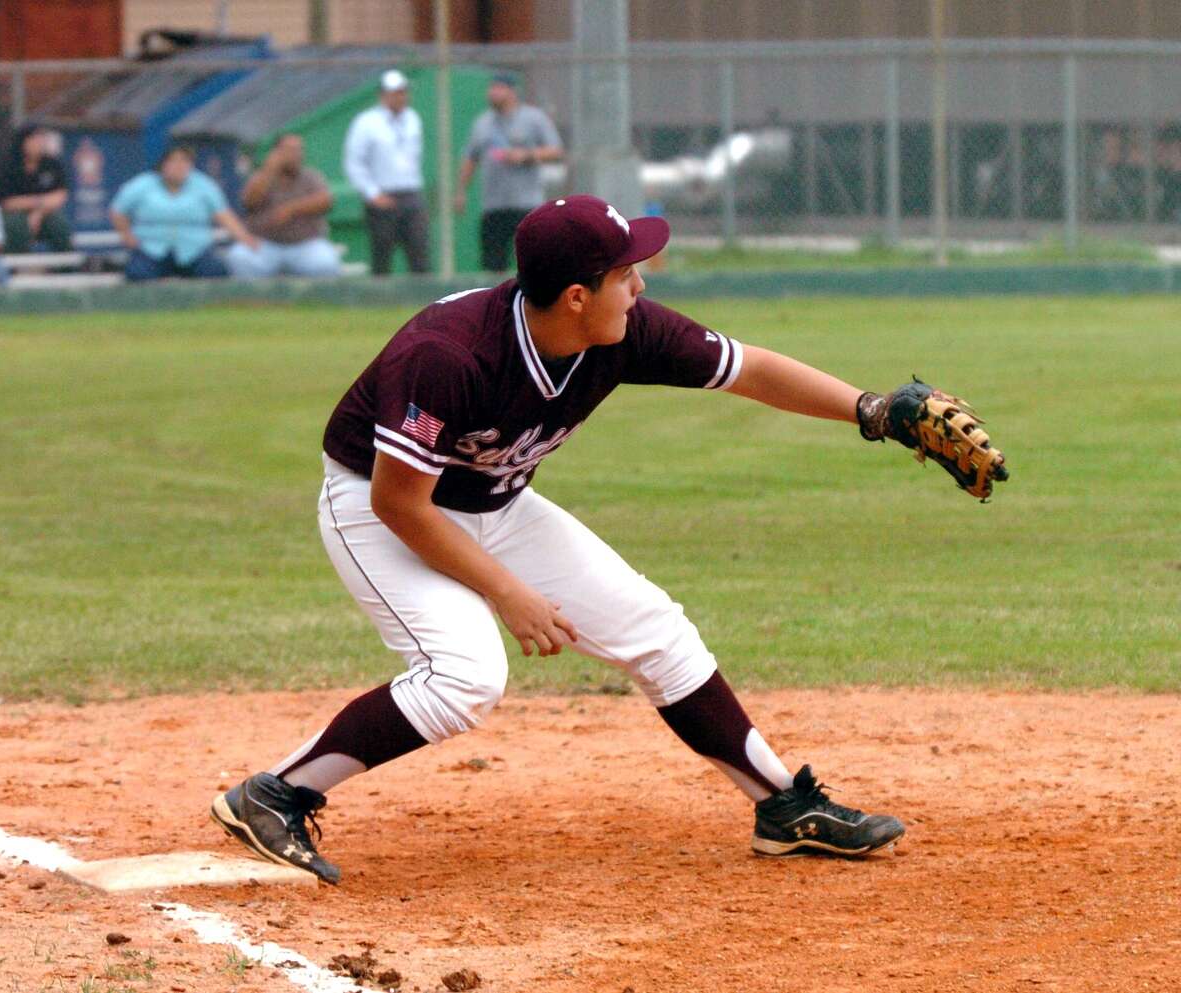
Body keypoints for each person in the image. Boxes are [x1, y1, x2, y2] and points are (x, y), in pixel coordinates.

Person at [210, 194, 911, 886]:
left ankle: (783, 807)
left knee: (655, 630)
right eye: (625, 273)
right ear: (577, 295)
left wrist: (872, 411)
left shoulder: (625, 329)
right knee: (466, 676)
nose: (640, 285)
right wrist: (507, 592)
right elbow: (399, 502)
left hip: (498, 504)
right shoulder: (447, 355)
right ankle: (274, 794)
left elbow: (749, 368)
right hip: (375, 506)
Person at [455, 70, 564, 272]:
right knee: (493, 261)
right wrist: (461, 191)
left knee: (533, 260)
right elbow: (471, 157)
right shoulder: (483, 123)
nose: (493, 93)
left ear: (512, 92)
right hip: (494, 205)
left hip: (526, 203)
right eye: (491, 88)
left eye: (498, 88)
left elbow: (555, 150)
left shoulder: (533, 118)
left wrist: (525, 155)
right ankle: (499, 300)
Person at [109, 146, 258, 281]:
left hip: (194, 249)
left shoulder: (204, 185)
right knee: (137, 273)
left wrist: (246, 239)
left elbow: (224, 215)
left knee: (215, 271)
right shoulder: (142, 184)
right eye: (173, 161)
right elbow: (118, 211)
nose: (178, 166)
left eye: (184, 161)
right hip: (151, 248)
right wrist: (126, 235)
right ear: (162, 164)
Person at [343, 69, 430, 275]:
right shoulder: (366, 122)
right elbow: (354, 162)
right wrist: (372, 193)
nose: (401, 97)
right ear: (383, 95)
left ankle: (425, 302)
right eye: (396, 92)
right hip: (383, 195)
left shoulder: (413, 119)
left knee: (420, 251)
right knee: (382, 253)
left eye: (403, 92)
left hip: (411, 193)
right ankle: (379, 300)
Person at [225, 133, 341, 279]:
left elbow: (326, 200)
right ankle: (255, 300)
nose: (296, 155)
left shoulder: (310, 177)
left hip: (305, 245)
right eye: (290, 150)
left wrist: (291, 209)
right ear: (276, 152)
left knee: (326, 263)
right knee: (239, 257)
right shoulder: (261, 178)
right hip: (265, 245)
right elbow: (249, 202)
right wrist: (269, 170)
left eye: (299, 150)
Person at [0, 123, 73, 254]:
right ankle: (14, 267)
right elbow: (7, 201)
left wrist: (39, 212)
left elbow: (60, 195)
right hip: (14, 216)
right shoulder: (9, 165)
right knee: (15, 225)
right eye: (35, 139)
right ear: (24, 141)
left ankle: (65, 268)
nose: (40, 143)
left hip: (45, 214)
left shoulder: (51, 164)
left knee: (59, 225)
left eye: (42, 138)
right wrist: (37, 203)